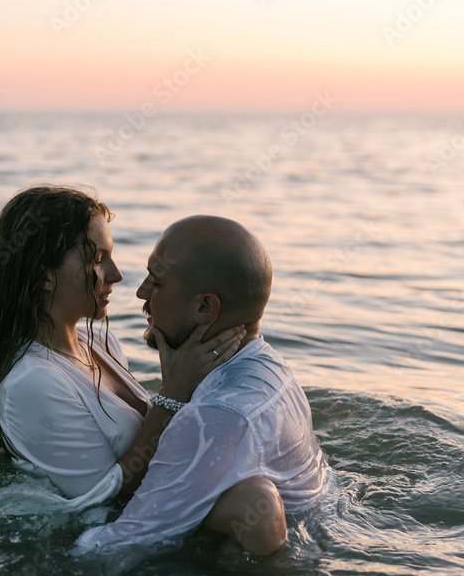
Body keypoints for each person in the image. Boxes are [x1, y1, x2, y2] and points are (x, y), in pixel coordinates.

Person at [73, 214, 328, 558]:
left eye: (156, 281)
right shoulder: (273, 369)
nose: (140, 292)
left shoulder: (213, 416)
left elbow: (117, 546)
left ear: (205, 307)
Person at [0, 186, 245, 514]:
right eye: (97, 259)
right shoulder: (33, 382)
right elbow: (103, 500)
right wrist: (176, 390)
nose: (117, 275)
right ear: (44, 275)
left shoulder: (100, 343)